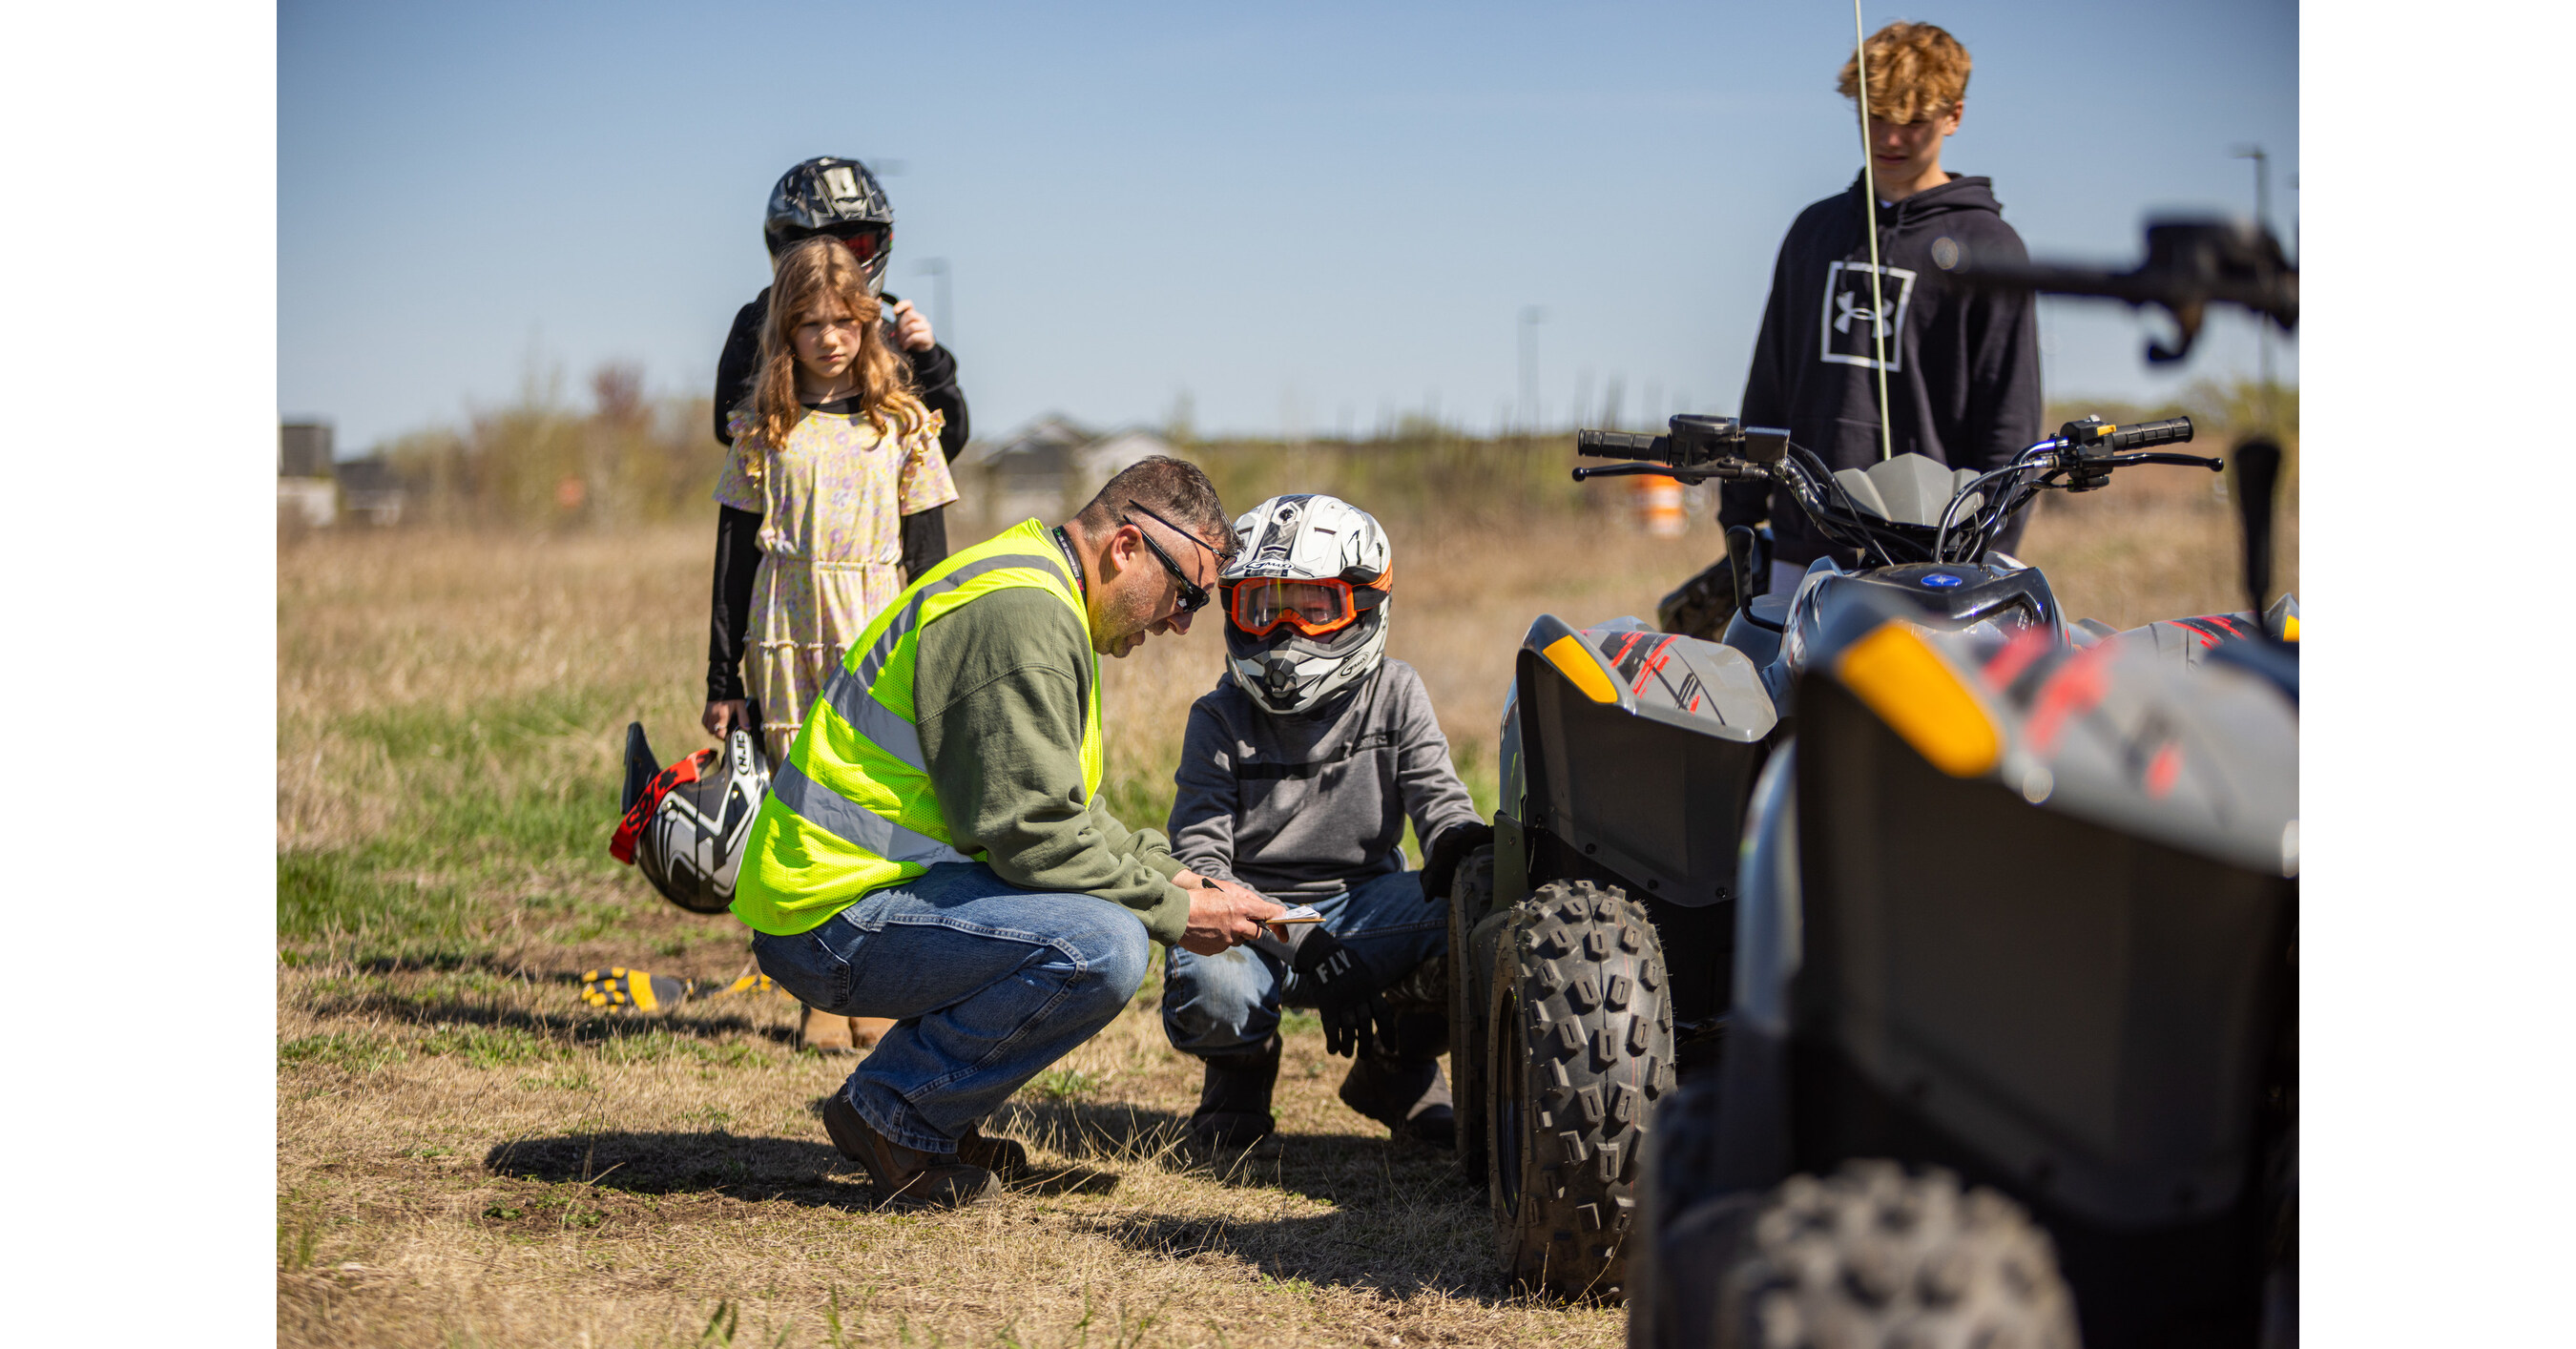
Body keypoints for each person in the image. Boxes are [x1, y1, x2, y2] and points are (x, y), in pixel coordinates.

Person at [732, 456, 1289, 1207]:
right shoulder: (1021, 619)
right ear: (1126, 547)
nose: (1182, 621)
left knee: (1102, 921)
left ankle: (930, 1118)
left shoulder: (1040, 591)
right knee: (1103, 945)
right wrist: (1177, 915)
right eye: (1186, 592)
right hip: (828, 915)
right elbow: (1035, 840)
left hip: (873, 890)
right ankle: (893, 1115)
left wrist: (1183, 879)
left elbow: (1069, 815)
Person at [1158, 494, 1492, 1152]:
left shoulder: (1395, 692)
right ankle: (1240, 1072)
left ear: (1362, 608)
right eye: (1259, 607)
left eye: (1312, 609)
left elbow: (1443, 806)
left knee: (1485, 924)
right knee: (1207, 980)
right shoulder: (1218, 717)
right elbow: (1203, 873)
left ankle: (1396, 1071)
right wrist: (1302, 936)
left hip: (1367, 912)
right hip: (1250, 921)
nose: (1282, 632)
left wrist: (1467, 849)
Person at [702, 235, 960, 1054]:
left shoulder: (905, 425)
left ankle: (875, 988)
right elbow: (733, 560)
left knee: (873, 808)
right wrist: (720, 677)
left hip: (875, 633)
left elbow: (931, 559)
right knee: (799, 808)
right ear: (786, 328)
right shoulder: (762, 429)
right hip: (783, 633)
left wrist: (935, 663)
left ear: (867, 323)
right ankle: (814, 993)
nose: (829, 338)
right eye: (810, 322)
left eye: (844, 320)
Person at [1721, 20, 2043, 597]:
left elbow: (2011, 424)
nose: (1891, 139)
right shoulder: (1813, 231)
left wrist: (1985, 553)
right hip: (1802, 552)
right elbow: (1769, 380)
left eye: (1914, 122)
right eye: (1875, 117)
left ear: (1955, 116)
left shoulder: (1991, 249)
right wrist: (1741, 518)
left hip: (1935, 560)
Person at [712, 156, 970, 579]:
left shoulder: (888, 337)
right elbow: (730, 430)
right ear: (786, 247)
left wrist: (929, 359)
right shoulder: (759, 324)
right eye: (821, 245)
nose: (839, 260)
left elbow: (948, 441)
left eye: (858, 247)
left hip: (870, 556)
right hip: (791, 550)